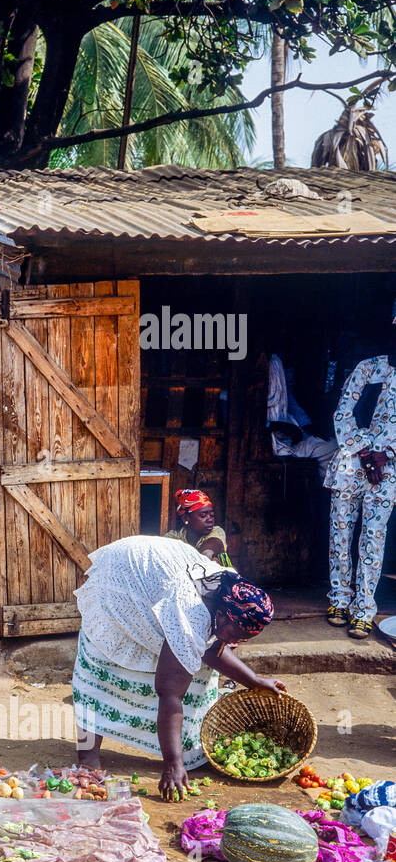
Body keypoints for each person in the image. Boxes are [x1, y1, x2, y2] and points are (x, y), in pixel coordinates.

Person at [72, 535, 283, 799]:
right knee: (101, 672)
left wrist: (254, 680)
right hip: (118, 579)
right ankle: (88, 757)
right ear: (220, 616)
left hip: (153, 578)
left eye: (244, 639)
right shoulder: (191, 612)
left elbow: (211, 649)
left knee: (192, 664)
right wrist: (172, 764)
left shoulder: (229, 588)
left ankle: (185, 751)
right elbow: (170, 694)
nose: (236, 642)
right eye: (236, 634)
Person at [324, 309, 396, 639]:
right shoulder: (369, 368)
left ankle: (364, 610)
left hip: (388, 469)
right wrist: (364, 451)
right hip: (353, 462)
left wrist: (386, 454)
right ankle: (339, 599)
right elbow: (343, 412)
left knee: (373, 539)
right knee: (341, 535)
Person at [267, 353, 335, 479]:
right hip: (266, 442)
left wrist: (307, 425)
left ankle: (326, 493)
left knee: (332, 445)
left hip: (288, 437)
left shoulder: (275, 361)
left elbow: (288, 400)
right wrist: (271, 425)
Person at [163, 489, 232, 567]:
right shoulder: (173, 537)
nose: (210, 519)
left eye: (212, 515)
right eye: (203, 515)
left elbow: (208, 551)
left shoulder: (216, 531)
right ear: (185, 518)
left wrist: (207, 556)